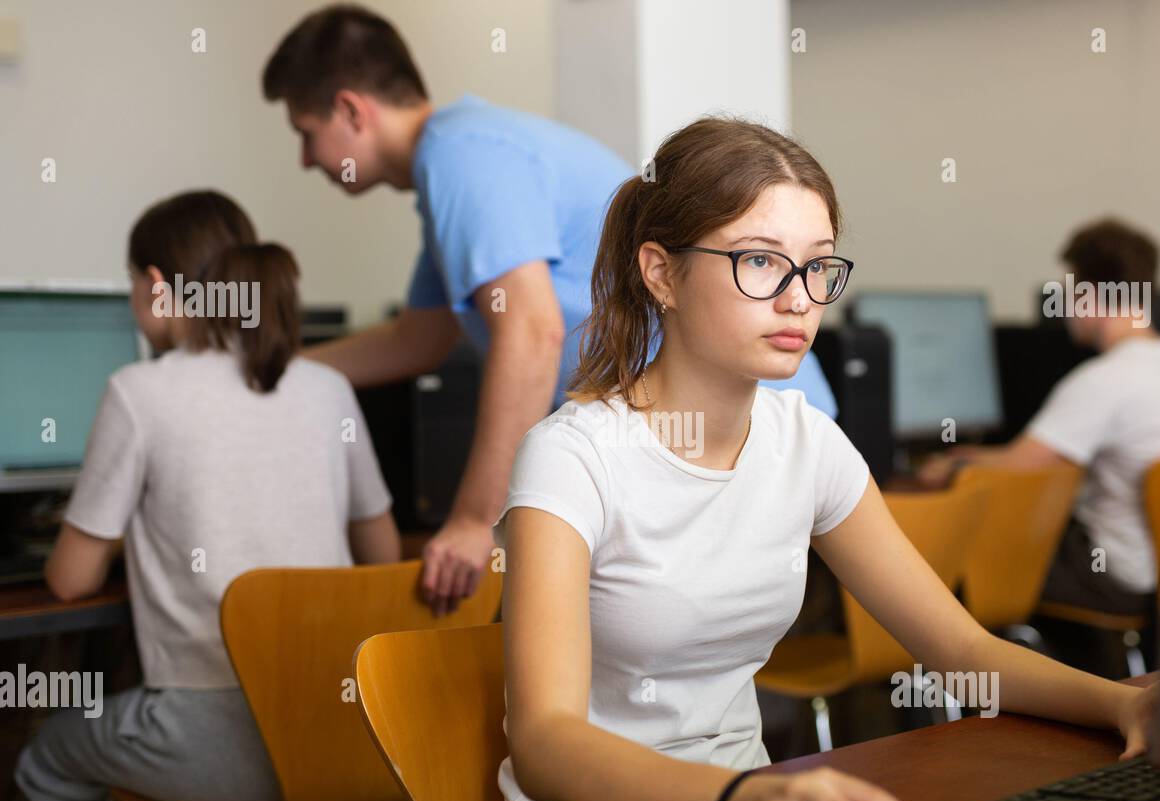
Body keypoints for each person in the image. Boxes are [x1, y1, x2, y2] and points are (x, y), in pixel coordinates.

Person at [491, 119, 1160, 801]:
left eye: (817, 268)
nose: (799, 300)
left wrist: (1122, 702)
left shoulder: (805, 442)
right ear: (661, 273)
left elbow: (960, 648)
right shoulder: (573, 458)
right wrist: (732, 800)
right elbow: (545, 742)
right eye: (760, 262)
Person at [260, 4, 838, 616]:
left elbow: (533, 333)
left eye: (304, 132)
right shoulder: (463, 161)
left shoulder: (461, 159)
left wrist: (473, 520)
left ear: (350, 110)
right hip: (713, 426)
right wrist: (286, 366)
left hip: (737, 426)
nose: (304, 158)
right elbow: (418, 340)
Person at [15, 191, 398, 801]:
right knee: (142, 792)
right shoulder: (326, 387)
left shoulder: (142, 391)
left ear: (156, 288)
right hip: (351, 730)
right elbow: (383, 554)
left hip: (228, 749)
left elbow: (70, 580)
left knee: (46, 762)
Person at [918, 218, 1160, 616]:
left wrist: (952, 460)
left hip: (1113, 576)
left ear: (1092, 294)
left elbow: (1017, 465)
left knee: (955, 563)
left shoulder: (1104, 380)